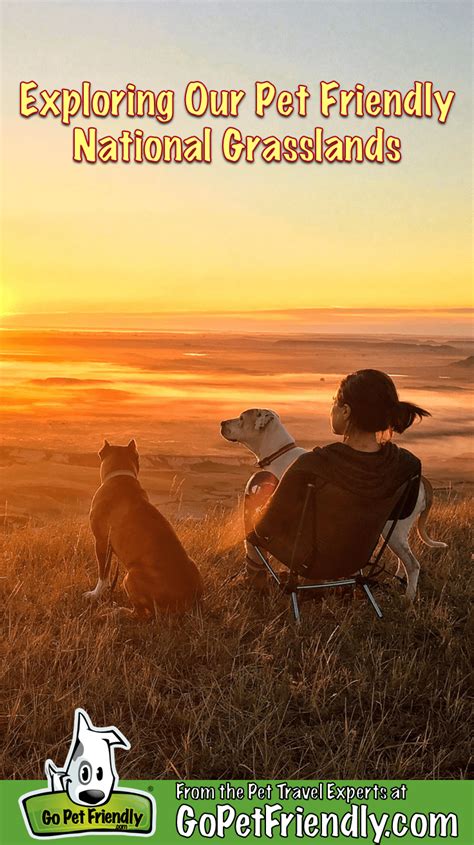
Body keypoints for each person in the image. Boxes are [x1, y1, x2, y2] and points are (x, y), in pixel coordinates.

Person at [246, 369, 430, 582]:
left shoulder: (312, 465)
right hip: (358, 560)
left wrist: (258, 509)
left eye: (334, 402)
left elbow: (266, 528)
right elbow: (400, 512)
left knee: (257, 484)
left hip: (308, 561)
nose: (331, 409)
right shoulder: (406, 464)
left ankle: (254, 578)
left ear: (346, 412)